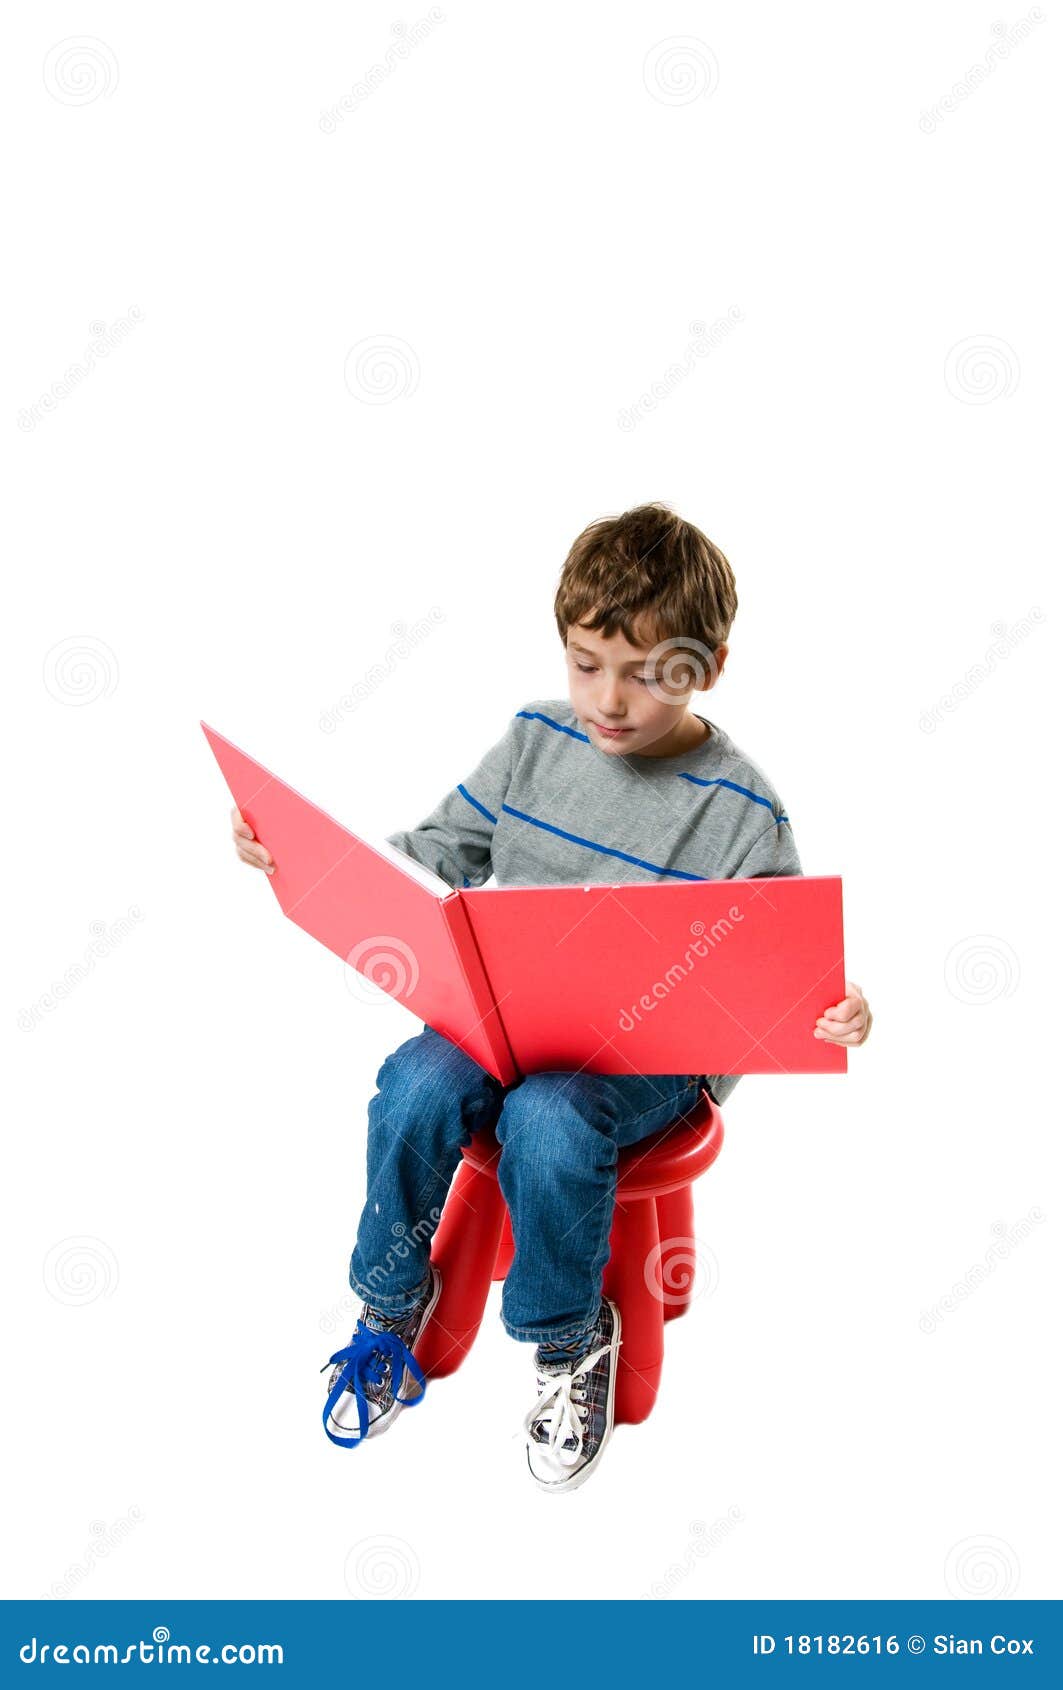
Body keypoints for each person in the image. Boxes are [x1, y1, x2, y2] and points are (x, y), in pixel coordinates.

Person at [230, 502, 872, 1494]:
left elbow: (785, 966)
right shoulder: (534, 742)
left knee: (549, 1118)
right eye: (586, 663)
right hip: (509, 1021)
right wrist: (307, 868)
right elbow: (433, 856)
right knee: (413, 1082)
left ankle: (570, 1338)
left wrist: (837, 1006)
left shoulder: (741, 807)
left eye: (648, 672)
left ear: (708, 666)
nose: (608, 699)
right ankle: (389, 1301)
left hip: (647, 1065)